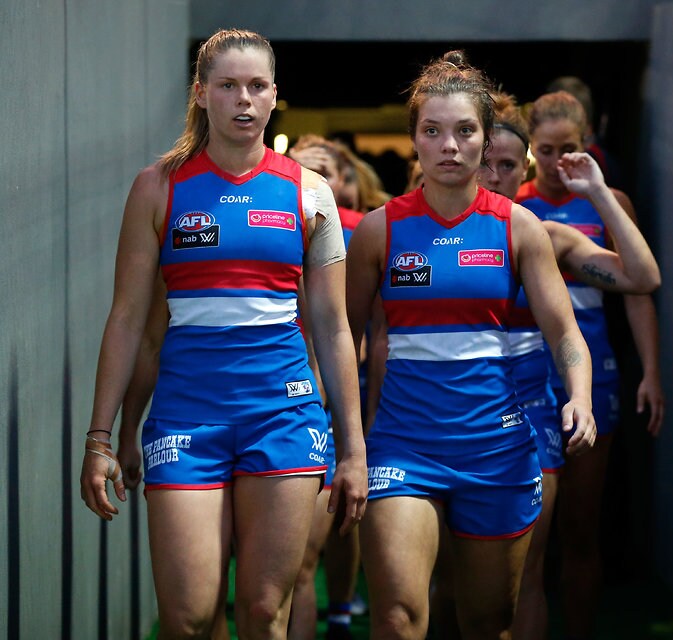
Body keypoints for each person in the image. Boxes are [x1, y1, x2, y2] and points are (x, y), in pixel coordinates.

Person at [79, 28, 368, 639]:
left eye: (257, 86)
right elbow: (130, 320)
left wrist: (354, 451)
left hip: (283, 418)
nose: (243, 99)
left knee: (266, 613)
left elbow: (334, 329)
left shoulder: (309, 193)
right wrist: (103, 437)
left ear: (273, 97)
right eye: (228, 85)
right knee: (188, 617)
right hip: (187, 417)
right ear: (202, 93)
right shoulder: (158, 187)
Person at [344, 50, 596, 639]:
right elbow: (340, 336)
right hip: (403, 449)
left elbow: (565, 333)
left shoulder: (519, 227)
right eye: (433, 131)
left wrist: (579, 397)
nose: (449, 146)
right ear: (415, 141)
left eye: (464, 131)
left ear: (486, 141)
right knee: (400, 618)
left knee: (488, 622)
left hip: (499, 453)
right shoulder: (381, 231)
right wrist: (342, 434)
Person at [476, 91, 661, 640]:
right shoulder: (434, 224)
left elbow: (641, 284)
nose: (559, 162)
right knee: (469, 565)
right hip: (480, 399)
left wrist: (599, 192)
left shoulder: (547, 230)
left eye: (507, 165)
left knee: (571, 533)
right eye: (548, 150)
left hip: (578, 380)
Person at [285, 133, 369, 640]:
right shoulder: (267, 215)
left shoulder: (361, 231)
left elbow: (356, 326)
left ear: (343, 182)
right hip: (289, 399)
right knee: (297, 559)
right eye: (301, 168)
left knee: (340, 522)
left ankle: (339, 604)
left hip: (344, 394)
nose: (315, 180)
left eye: (325, 170)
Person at [545, 75, 627, 192]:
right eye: (546, 151)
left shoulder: (604, 165)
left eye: (568, 148)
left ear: (587, 129)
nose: (555, 164)